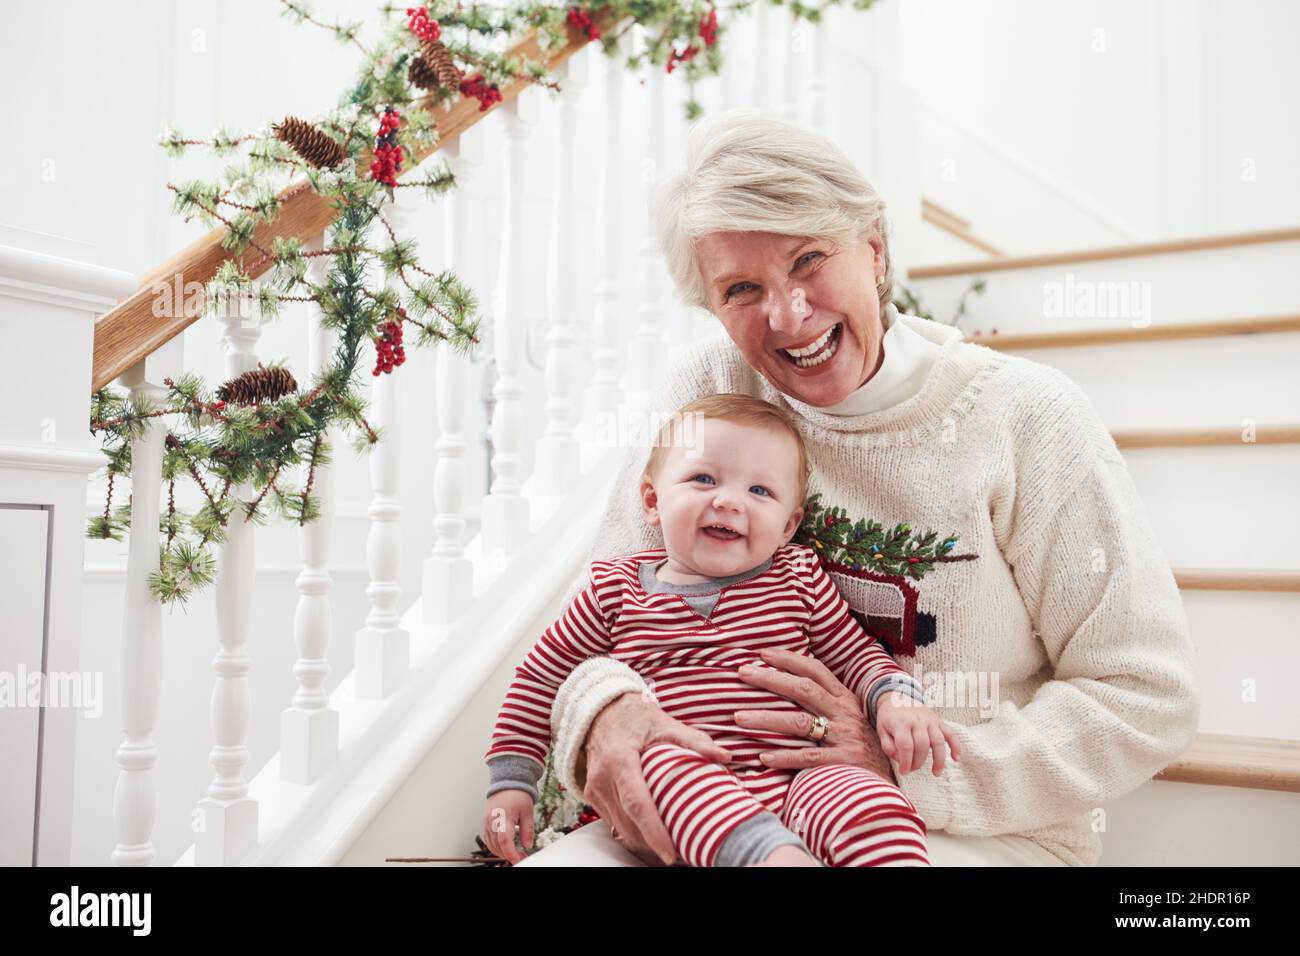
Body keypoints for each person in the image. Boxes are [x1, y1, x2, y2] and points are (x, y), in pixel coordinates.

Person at [517, 108, 1201, 868]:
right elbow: (604, 614)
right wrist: (605, 710)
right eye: (742, 288)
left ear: (873, 250)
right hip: (717, 801)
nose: (788, 314)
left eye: (809, 259)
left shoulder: (1028, 418)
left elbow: (1144, 694)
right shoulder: (710, 388)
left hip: (967, 826)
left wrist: (904, 767)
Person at [482, 394, 962, 866]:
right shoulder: (615, 589)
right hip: (690, 775)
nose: (729, 501)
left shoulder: (797, 577)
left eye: (760, 491)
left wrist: (897, 699)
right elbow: (542, 679)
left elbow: (855, 654)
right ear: (652, 500)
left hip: (800, 774)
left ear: (788, 525)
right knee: (658, 759)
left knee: (865, 797)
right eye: (703, 478)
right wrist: (512, 779)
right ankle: (774, 858)